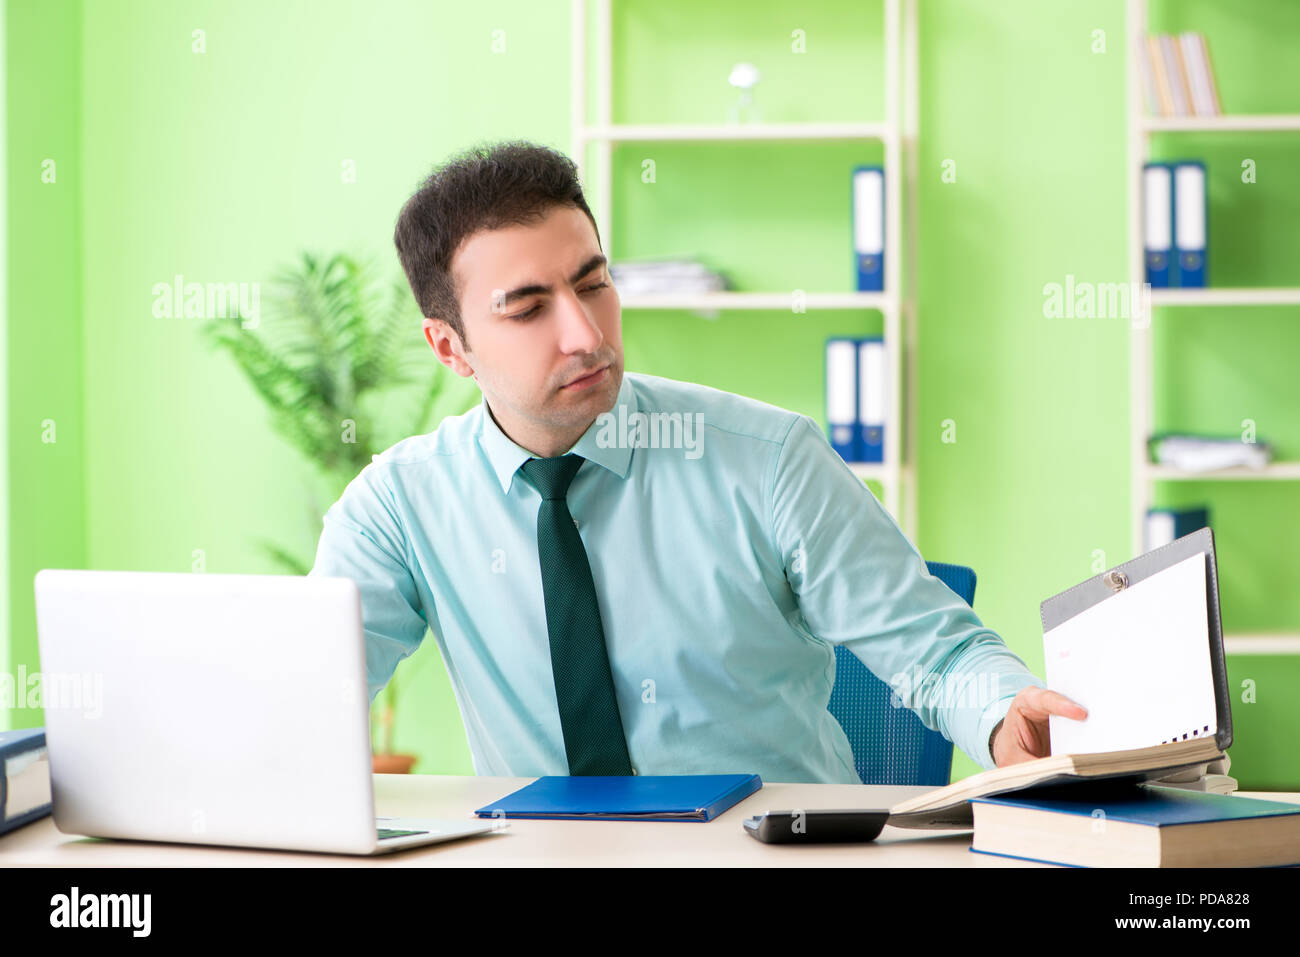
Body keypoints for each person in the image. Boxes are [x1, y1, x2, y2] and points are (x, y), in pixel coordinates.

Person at [308, 139, 1086, 782]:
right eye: (529, 307)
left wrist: (1000, 713)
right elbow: (307, 702)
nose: (586, 333)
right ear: (451, 347)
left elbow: (938, 652)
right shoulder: (399, 507)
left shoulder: (766, 459)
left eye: (594, 283)